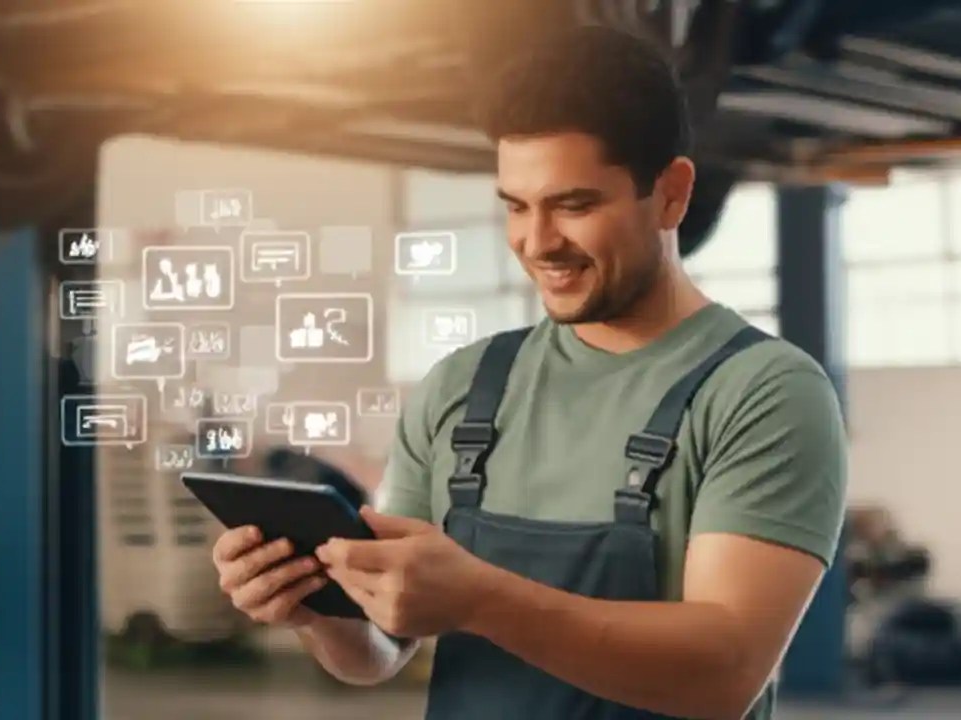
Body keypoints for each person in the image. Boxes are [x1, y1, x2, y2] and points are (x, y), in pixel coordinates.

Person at [210, 25, 847, 720]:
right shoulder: (462, 387)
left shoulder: (763, 393)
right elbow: (378, 651)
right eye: (516, 206)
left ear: (670, 194)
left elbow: (722, 674)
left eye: (574, 206)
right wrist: (313, 609)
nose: (538, 243)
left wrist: (480, 597)